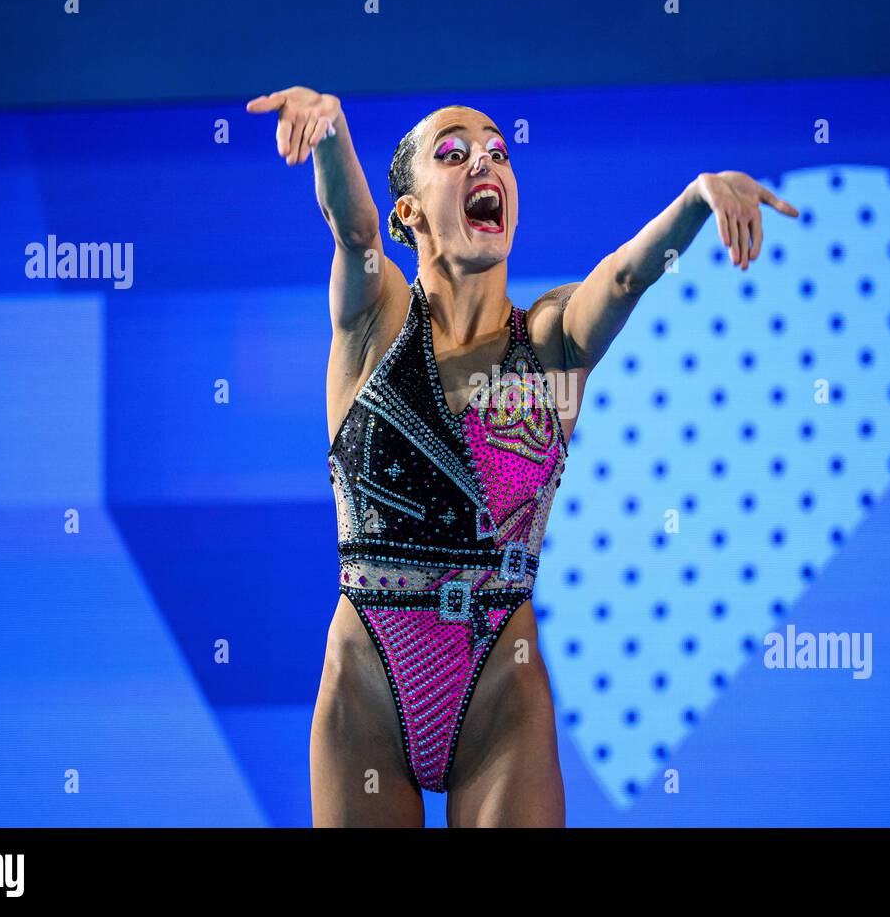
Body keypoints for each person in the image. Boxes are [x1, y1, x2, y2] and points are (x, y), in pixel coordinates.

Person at [246, 86, 798, 827]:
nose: (486, 160)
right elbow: (352, 229)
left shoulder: (549, 343)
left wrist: (697, 201)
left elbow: (626, 277)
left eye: (500, 152)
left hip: (499, 700)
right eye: (453, 152)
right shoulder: (372, 325)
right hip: (366, 693)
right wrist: (329, 135)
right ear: (409, 212)